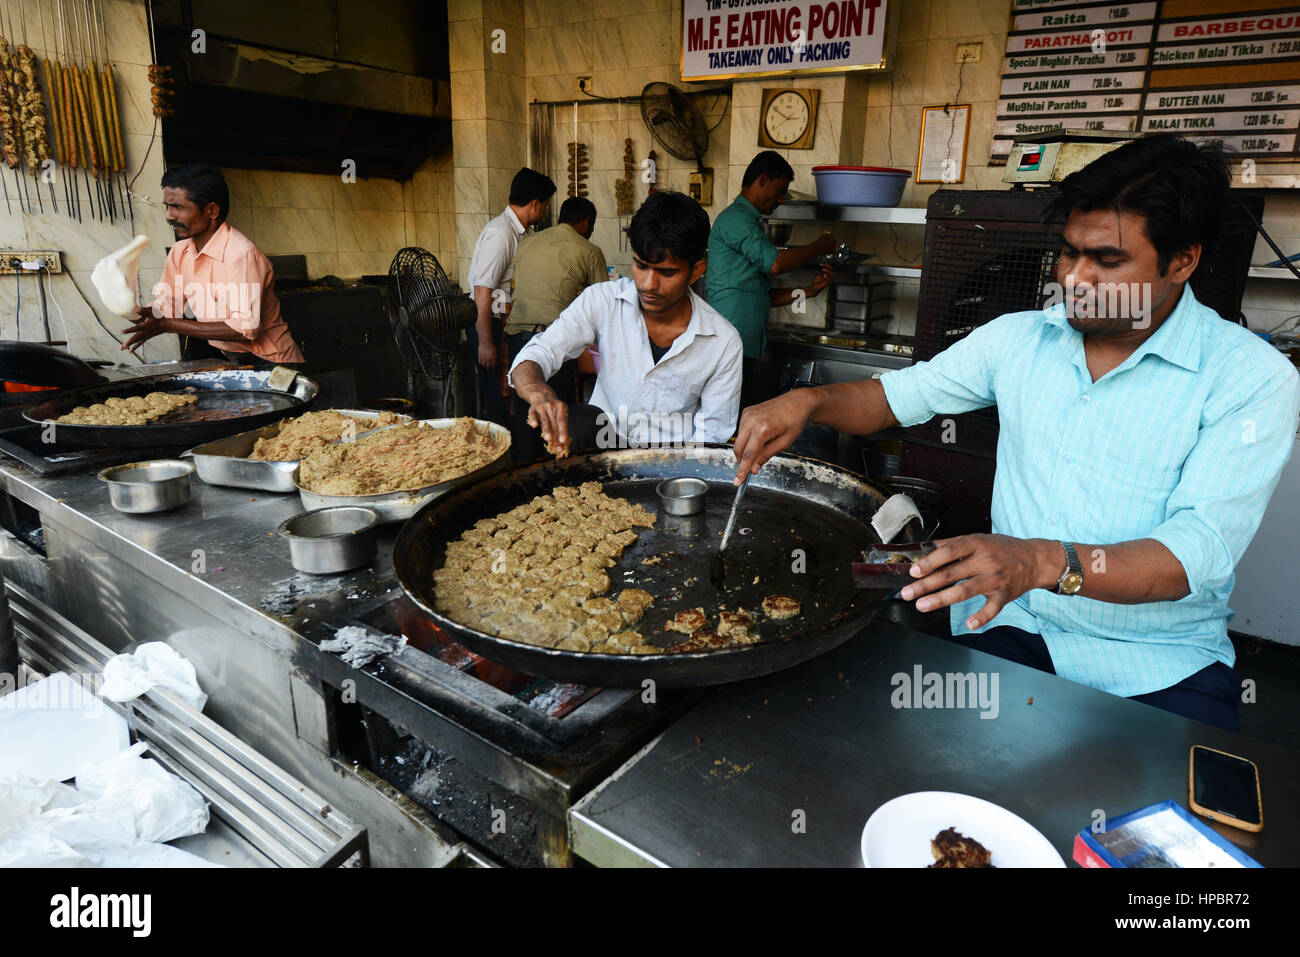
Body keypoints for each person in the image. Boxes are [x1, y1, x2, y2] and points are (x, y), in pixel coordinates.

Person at [731, 134, 1300, 731]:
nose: (1075, 279)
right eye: (1068, 252)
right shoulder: (1022, 338)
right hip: (1009, 626)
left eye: (1107, 261)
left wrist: (1039, 561)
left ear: (1182, 260)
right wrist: (806, 400)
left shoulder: (1250, 379)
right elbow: (893, 399)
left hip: (1156, 665)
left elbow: (1194, 554)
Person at [510, 190, 742, 454]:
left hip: (669, 469)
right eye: (641, 266)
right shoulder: (603, 301)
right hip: (602, 449)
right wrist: (538, 391)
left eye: (667, 273)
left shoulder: (722, 341)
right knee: (579, 420)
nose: (648, 284)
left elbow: (711, 438)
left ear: (696, 271)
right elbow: (539, 352)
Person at [125, 165, 304, 368]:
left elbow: (245, 328)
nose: (168, 216)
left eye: (179, 207)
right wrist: (138, 313)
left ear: (211, 211)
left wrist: (166, 325)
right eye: (167, 207)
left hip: (273, 361)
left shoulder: (241, 254)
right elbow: (168, 306)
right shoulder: (179, 252)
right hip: (232, 357)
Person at [707, 150, 837, 406]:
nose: (780, 200)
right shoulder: (736, 219)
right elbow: (776, 264)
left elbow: (761, 296)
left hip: (743, 346)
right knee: (727, 422)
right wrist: (819, 245)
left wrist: (808, 291)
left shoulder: (750, 223)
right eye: (779, 191)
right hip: (727, 346)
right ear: (763, 179)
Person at [505, 196, 609, 459]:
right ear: (586, 223)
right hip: (553, 339)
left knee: (528, 417)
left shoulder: (527, 243)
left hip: (517, 338)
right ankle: (553, 478)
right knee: (557, 420)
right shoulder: (589, 251)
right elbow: (604, 305)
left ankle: (523, 476)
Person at [465, 167, 556, 426]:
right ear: (535, 203)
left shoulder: (523, 233)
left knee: (511, 401)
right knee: (497, 403)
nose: (546, 211)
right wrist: (485, 342)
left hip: (506, 326)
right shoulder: (501, 234)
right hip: (490, 325)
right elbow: (483, 292)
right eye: (546, 204)